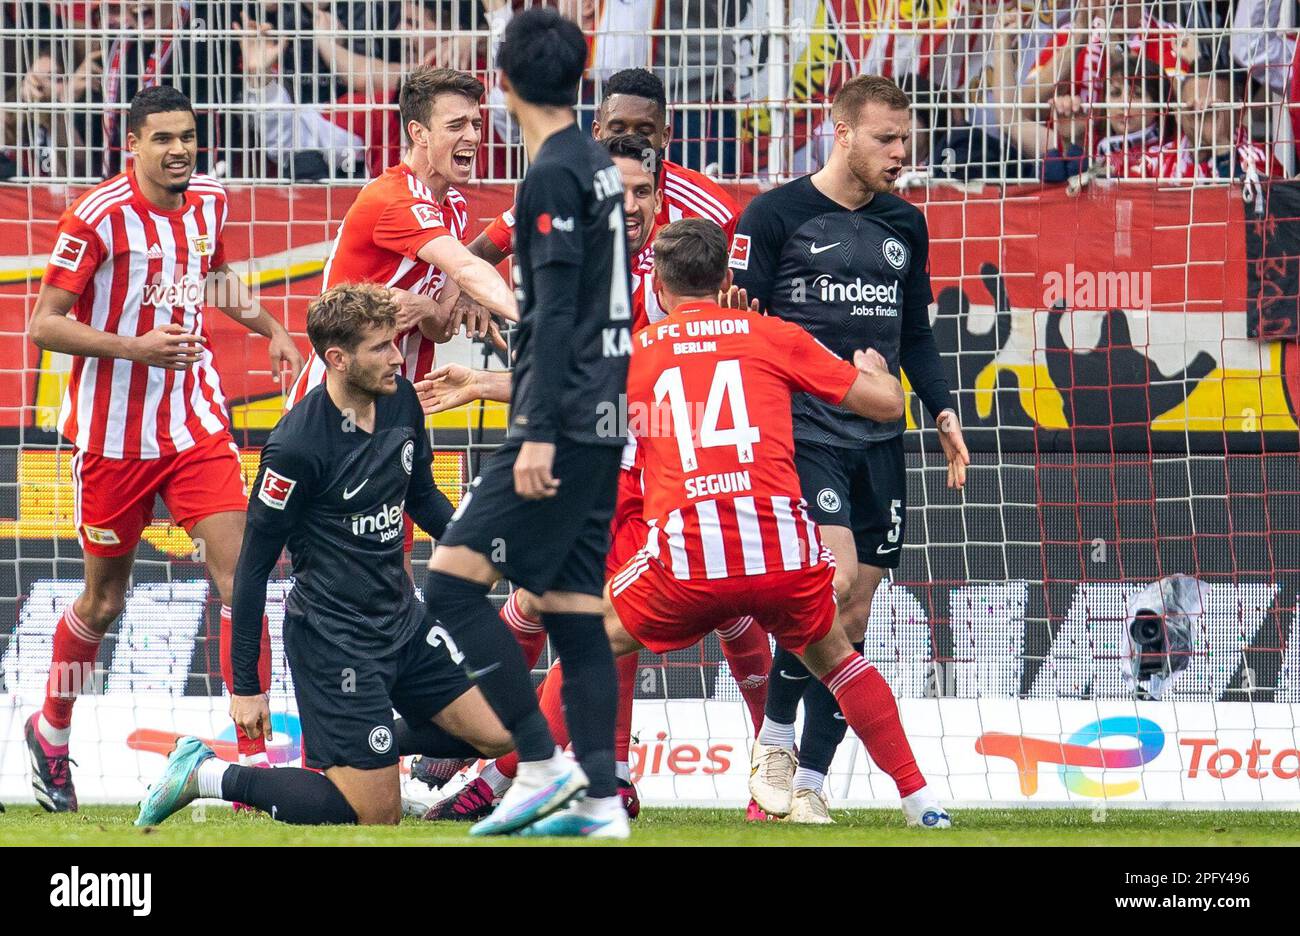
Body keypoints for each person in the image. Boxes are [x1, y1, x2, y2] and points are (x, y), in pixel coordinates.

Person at [415, 133, 773, 823]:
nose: (631, 205)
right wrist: (479, 355)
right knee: (547, 604)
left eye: (643, 192)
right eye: (618, 191)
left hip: (669, 471)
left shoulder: (680, 272)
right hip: (593, 464)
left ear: (661, 195)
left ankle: (771, 767)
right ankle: (557, 765)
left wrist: (488, 384)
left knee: (635, 611)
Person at [601, 219, 951, 831]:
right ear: (728, 279)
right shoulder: (771, 335)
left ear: (657, 284)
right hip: (781, 556)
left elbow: (573, 418)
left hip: (689, 563)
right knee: (840, 659)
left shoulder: (641, 355)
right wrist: (876, 372)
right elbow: (887, 405)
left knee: (583, 641)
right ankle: (921, 803)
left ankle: (568, 790)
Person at [134, 283, 514, 827]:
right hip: (336, 641)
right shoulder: (296, 447)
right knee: (377, 818)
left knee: (501, 730)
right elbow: (254, 566)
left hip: (402, 622)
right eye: (381, 346)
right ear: (337, 358)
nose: (396, 356)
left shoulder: (401, 399)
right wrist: (247, 685)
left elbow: (422, 495)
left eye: (394, 342)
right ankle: (206, 773)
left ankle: (366, 747)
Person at [24, 85, 304, 812]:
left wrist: (270, 327)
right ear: (133, 146)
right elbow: (44, 325)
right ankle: (50, 733)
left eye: (187, 136)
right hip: (113, 438)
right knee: (104, 600)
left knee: (244, 575)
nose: (179, 150)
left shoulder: (210, 198)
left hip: (193, 426)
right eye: (163, 139)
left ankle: (253, 767)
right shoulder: (95, 217)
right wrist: (134, 348)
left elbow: (211, 276)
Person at [420, 7, 632, 839]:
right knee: (574, 610)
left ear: (503, 82)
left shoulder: (549, 175)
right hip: (604, 417)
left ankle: (540, 764)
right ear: (580, 78)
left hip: (562, 421)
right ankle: (604, 806)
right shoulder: (599, 165)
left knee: (448, 584)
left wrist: (537, 427)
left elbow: (552, 318)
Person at [731, 74, 966, 825]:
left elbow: (916, 334)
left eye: (907, 138)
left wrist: (943, 410)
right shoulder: (774, 216)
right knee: (828, 587)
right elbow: (744, 327)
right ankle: (773, 739)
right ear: (843, 133)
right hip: (802, 436)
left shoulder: (907, 224)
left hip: (880, 439)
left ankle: (808, 783)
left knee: (855, 616)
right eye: (886, 139)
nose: (902, 153)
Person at [470, 67, 740, 266]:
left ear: (665, 136)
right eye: (618, 128)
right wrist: (474, 297)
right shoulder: (560, 189)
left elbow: (735, 287)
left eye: (644, 130)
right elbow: (478, 253)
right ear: (597, 131)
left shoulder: (710, 208)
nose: (630, 138)